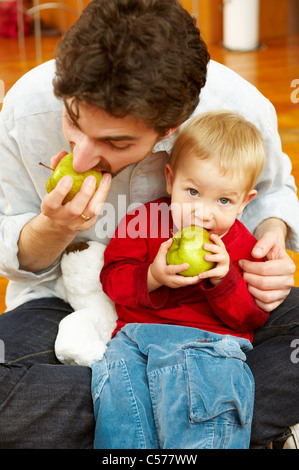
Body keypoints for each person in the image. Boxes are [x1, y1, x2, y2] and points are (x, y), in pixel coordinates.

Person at [0, 0, 297, 449]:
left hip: (211, 330)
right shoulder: (25, 108)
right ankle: (207, 420)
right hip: (67, 303)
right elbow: (17, 257)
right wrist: (54, 227)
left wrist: (270, 242)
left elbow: (272, 193)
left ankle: (130, 423)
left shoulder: (238, 109)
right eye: (73, 122)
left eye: (115, 141)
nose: (80, 157)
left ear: (171, 128)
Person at [92, 110, 270, 449]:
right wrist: (152, 276)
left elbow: (252, 318)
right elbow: (112, 278)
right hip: (135, 343)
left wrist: (225, 281)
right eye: (192, 192)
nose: (202, 212)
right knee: (119, 417)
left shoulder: (242, 245)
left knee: (207, 422)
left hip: (209, 344)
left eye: (222, 200)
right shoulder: (142, 221)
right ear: (170, 180)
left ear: (244, 202)